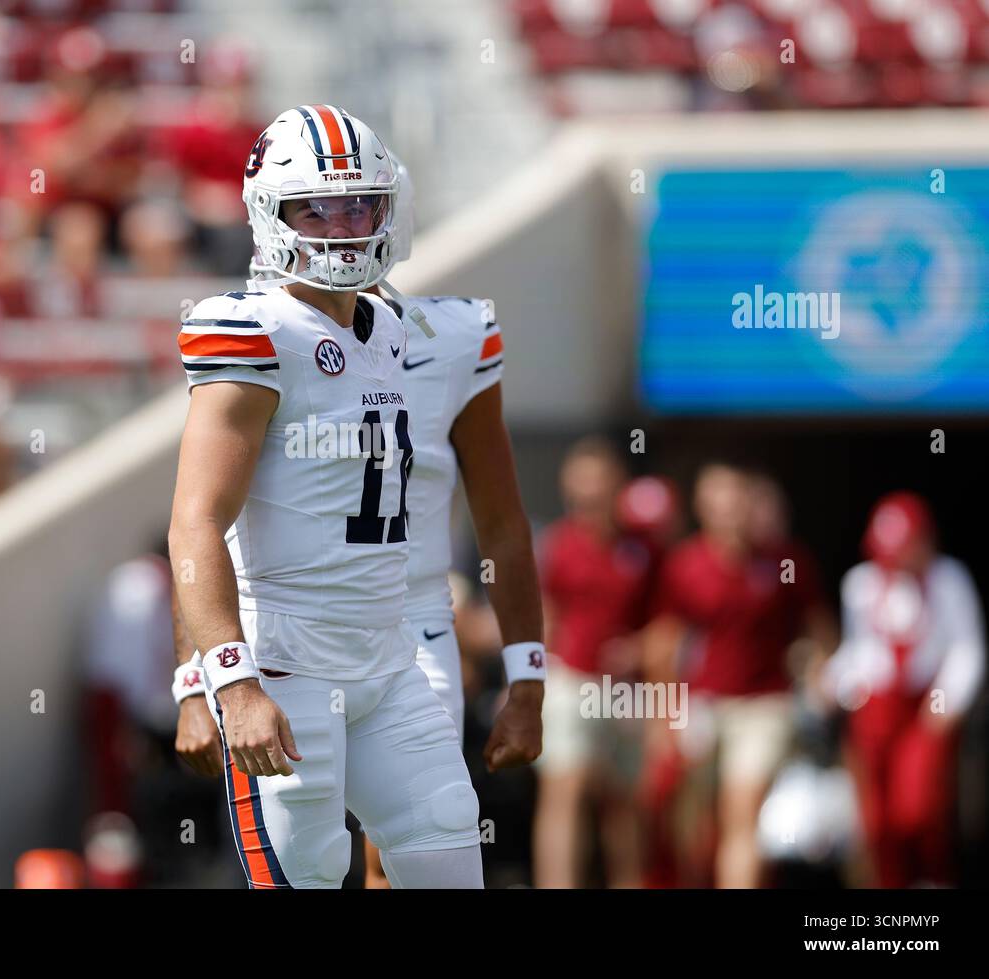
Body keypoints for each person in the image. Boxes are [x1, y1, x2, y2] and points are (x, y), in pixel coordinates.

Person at [172, 151, 547, 888]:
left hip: (392, 655)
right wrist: (219, 680)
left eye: (358, 205)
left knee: (448, 857)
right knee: (307, 871)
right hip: (287, 663)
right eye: (316, 208)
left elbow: (504, 519)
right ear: (270, 214)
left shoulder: (414, 331)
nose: (342, 228)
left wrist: (528, 675)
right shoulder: (252, 329)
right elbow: (195, 524)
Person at [646, 463, 832, 887]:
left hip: (764, 705)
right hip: (703, 707)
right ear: (703, 508)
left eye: (736, 500)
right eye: (718, 502)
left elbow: (819, 628)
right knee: (697, 824)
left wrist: (817, 672)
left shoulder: (784, 560)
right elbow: (664, 644)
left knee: (741, 811)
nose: (729, 512)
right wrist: (664, 719)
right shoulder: (686, 565)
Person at [824, 492, 984, 886]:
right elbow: (859, 649)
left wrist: (948, 701)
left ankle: (933, 879)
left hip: (925, 708)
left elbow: (966, 647)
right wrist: (833, 682)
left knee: (920, 808)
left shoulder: (949, 581)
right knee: (877, 816)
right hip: (876, 710)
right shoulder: (860, 584)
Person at [532, 440, 659, 888]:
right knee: (564, 791)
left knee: (623, 805)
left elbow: (666, 623)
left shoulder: (644, 550)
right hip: (569, 679)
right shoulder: (558, 546)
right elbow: (543, 613)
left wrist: (639, 649)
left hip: (625, 691)